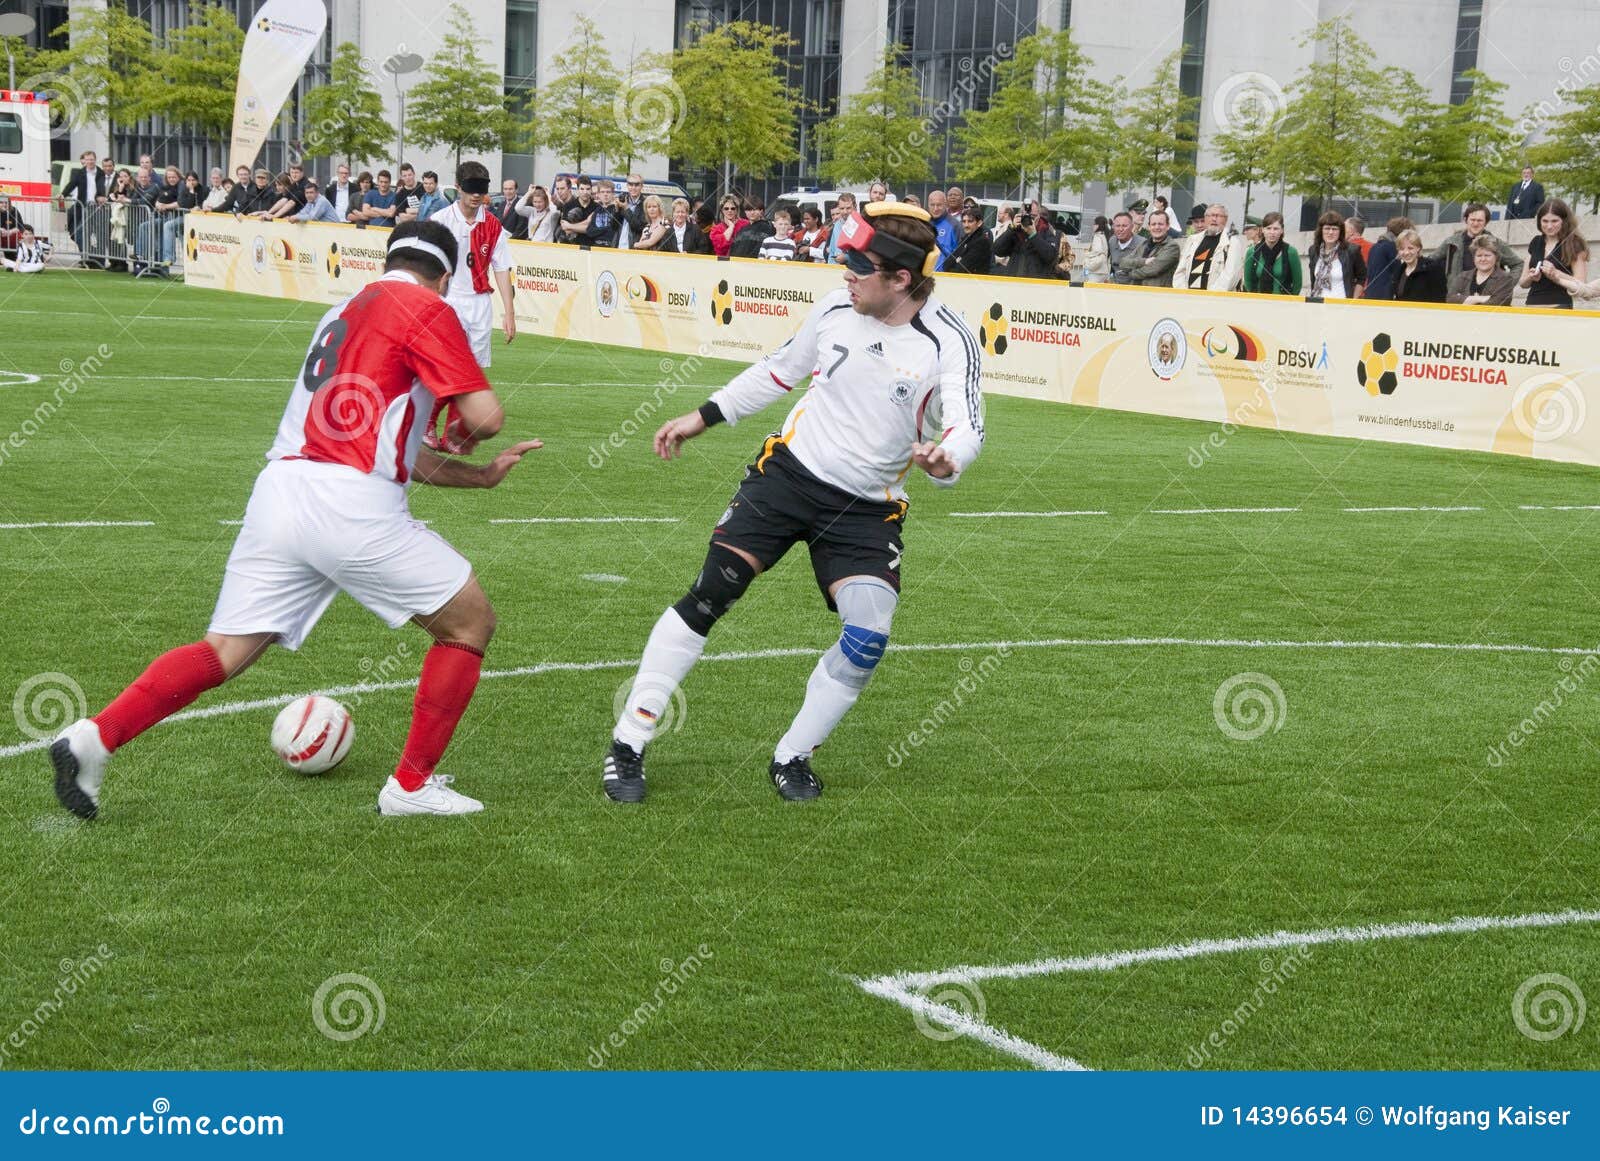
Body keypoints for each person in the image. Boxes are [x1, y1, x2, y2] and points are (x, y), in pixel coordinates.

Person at [47, 221, 543, 822]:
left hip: (280, 492)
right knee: (468, 623)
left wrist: (479, 477)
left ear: (386, 260)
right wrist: (471, 428)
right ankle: (410, 786)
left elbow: (392, 445)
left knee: (224, 650)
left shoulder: (343, 310)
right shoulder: (429, 308)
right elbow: (487, 417)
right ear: (445, 277)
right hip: (350, 504)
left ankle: (94, 737)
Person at [603, 202, 983, 804]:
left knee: (868, 636)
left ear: (900, 278)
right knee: (711, 592)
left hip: (866, 509)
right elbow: (779, 371)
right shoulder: (835, 308)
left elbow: (967, 425)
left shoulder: (949, 341)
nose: (845, 273)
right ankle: (628, 743)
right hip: (788, 477)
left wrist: (947, 460)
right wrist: (703, 417)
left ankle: (792, 756)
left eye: (860, 265)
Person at [429, 160, 516, 367]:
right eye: (471, 188)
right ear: (458, 187)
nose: (476, 195)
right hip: (448, 300)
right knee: (446, 367)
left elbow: (502, 269)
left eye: (481, 189)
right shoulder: (439, 221)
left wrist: (509, 314)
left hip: (479, 304)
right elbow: (427, 266)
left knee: (474, 372)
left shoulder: (493, 225)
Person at [1520, 198, 1588, 309]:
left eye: (1554, 221)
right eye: (1545, 221)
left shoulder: (1574, 244)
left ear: (1564, 221)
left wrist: (1556, 274)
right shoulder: (1536, 242)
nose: (1549, 226)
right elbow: (1523, 283)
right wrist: (1530, 277)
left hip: (1559, 307)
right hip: (1531, 306)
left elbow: (1581, 285)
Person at [1433, 204, 1523, 285]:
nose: (1475, 224)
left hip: (1487, 294)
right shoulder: (1451, 242)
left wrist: (1506, 285)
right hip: (1456, 294)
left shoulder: (1497, 243)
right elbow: (1431, 261)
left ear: (1486, 222)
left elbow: (1518, 264)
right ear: (1465, 220)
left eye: (1479, 220)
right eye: (1472, 220)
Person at [1173, 203, 1244, 291]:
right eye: (1210, 216)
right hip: (1189, 297)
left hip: (1215, 298)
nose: (1214, 219)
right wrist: (1184, 293)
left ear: (1225, 220)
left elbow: (1231, 275)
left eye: (1218, 216)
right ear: (1206, 218)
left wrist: (1210, 296)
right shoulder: (1192, 240)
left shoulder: (1232, 242)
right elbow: (1180, 272)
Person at [61, 149, 108, 268]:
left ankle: (99, 261)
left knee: (99, 235)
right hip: (82, 207)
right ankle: (87, 257)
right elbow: (71, 184)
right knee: (79, 234)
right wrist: (63, 194)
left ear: (95, 160)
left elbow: (101, 187)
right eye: (87, 160)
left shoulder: (100, 173)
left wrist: (100, 196)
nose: (90, 162)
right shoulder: (80, 173)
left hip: (97, 208)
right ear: (84, 161)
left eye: (92, 159)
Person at [1304, 210, 1365, 299]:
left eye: (1335, 229)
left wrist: (1353, 301)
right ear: (1321, 230)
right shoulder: (1313, 250)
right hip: (1317, 302)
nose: (1330, 232)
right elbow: (1313, 279)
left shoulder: (1351, 251)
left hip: (1342, 303)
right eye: (1327, 228)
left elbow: (1362, 277)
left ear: (1340, 232)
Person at [1242, 211, 1302, 295]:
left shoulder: (1291, 252)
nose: (1272, 232)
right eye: (1268, 228)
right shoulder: (1252, 251)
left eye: (1276, 229)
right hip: (1258, 300)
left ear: (1282, 230)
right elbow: (1248, 282)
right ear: (1263, 230)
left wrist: (1289, 300)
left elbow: (1297, 284)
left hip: (1283, 301)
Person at [1447, 235, 1517, 306]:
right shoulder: (1462, 276)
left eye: (1487, 255)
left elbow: (1496, 303)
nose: (1483, 259)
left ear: (1496, 257)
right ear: (1474, 258)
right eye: (1479, 256)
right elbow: (1450, 299)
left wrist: (1464, 300)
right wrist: (1477, 299)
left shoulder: (1505, 279)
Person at [992, 204, 1058, 279]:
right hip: (1014, 280)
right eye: (1025, 216)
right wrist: (1011, 228)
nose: (1029, 219)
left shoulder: (1046, 230)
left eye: (1033, 216)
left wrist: (1034, 235)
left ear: (1039, 216)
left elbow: (1051, 257)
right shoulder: (1016, 232)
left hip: (1036, 282)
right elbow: (997, 250)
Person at [1123, 209, 1181, 285]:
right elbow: (1123, 262)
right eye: (1153, 224)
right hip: (1137, 290)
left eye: (1160, 224)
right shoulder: (1144, 244)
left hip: (1156, 291)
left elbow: (1153, 269)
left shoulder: (1172, 247)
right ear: (1149, 227)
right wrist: (1144, 261)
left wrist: (1129, 274)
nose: (1157, 227)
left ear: (1167, 226)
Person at [1388, 228, 1447, 302]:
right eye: (1402, 249)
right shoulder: (1398, 272)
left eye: (1410, 248)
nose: (1406, 252)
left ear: (1418, 248)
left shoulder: (1433, 269)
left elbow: (1440, 299)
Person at [1364, 216, 1410, 300]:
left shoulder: (1375, 246)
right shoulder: (1392, 247)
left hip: (1371, 292)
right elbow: (1398, 272)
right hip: (1385, 295)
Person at [948, 204, 992, 276]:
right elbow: (947, 263)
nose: (966, 225)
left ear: (979, 223)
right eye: (964, 221)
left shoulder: (982, 242)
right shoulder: (966, 238)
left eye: (970, 221)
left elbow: (962, 268)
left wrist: (952, 267)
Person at [926, 189, 958, 270]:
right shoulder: (923, 223)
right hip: (924, 274)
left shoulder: (955, 225)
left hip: (945, 275)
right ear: (928, 205)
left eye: (939, 205)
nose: (935, 209)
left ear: (945, 205)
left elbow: (960, 254)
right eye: (932, 205)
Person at [617, 173, 647, 249]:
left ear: (641, 186)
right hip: (618, 245)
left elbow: (639, 227)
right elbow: (613, 226)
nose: (633, 188)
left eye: (637, 185)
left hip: (634, 247)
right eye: (630, 184)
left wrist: (626, 209)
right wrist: (616, 210)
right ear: (627, 186)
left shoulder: (646, 203)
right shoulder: (622, 199)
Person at [825, 193, 856, 263]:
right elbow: (832, 251)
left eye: (848, 208)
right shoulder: (837, 225)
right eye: (842, 208)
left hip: (853, 268)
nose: (845, 212)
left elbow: (863, 255)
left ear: (854, 207)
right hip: (836, 267)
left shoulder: (860, 225)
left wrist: (846, 257)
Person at [1081, 215, 1112, 282]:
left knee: (1090, 288)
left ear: (1098, 225)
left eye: (1094, 224)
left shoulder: (1097, 236)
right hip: (1103, 270)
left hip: (1096, 272)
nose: (1093, 226)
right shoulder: (1104, 235)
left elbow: (1097, 251)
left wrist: (1087, 254)